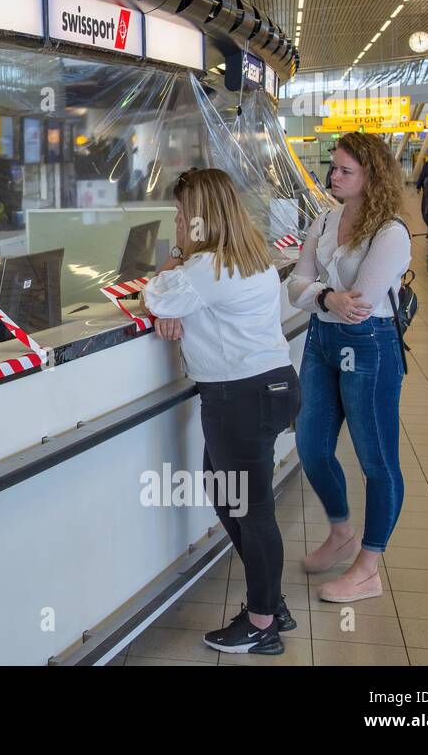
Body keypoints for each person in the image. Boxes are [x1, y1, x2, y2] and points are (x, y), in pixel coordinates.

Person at [142, 168, 300, 656]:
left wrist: (169, 291)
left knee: (250, 511)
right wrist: (174, 305)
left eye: (180, 213)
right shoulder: (248, 257)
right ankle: (270, 603)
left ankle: (261, 623)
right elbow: (170, 298)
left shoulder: (205, 269)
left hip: (239, 398)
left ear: (198, 219)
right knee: (234, 498)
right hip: (270, 387)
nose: (174, 219)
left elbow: (152, 293)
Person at [289, 131, 410, 604]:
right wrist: (325, 296)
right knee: (311, 445)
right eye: (333, 168)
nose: (333, 176)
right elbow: (295, 287)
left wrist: (320, 297)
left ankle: (368, 566)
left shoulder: (391, 232)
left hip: (370, 348)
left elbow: (359, 305)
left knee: (377, 461)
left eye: (345, 170)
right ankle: (341, 531)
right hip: (322, 344)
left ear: (370, 176)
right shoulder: (324, 219)